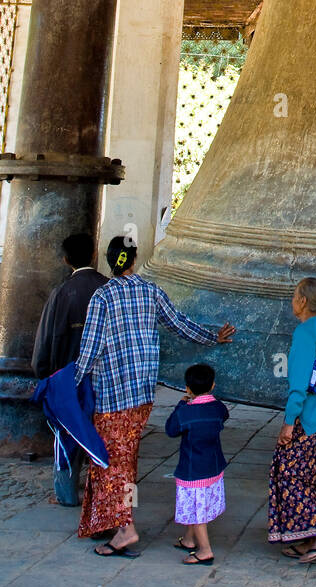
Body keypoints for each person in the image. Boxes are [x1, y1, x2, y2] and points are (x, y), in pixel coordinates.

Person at [75, 234, 235, 558]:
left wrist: (71, 383)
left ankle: (124, 529)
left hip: (111, 396)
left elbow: (90, 350)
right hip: (141, 396)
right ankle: (111, 521)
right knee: (126, 460)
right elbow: (179, 324)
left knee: (111, 465)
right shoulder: (150, 291)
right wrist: (212, 336)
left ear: (108, 261)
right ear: (133, 260)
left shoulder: (102, 297)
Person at [268, 277, 316, 563]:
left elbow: (299, 383)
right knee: (315, 477)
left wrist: (289, 421)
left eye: (294, 296)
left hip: (311, 417)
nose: (292, 300)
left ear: (302, 301)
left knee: (288, 474)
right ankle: (310, 535)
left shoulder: (305, 332)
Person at [31, 232, 108, 506]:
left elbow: (46, 340)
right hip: (105, 378)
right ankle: (103, 497)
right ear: (94, 254)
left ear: (65, 260)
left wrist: (43, 374)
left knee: (67, 436)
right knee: (103, 436)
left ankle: (66, 496)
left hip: (68, 378)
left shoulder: (62, 293)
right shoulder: (109, 288)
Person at [166, 363, 230, 566]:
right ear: (213, 385)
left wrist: (181, 405)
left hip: (193, 471)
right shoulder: (218, 408)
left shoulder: (185, 413)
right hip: (214, 467)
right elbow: (224, 417)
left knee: (197, 512)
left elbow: (171, 430)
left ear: (187, 388)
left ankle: (205, 550)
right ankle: (189, 539)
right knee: (200, 506)